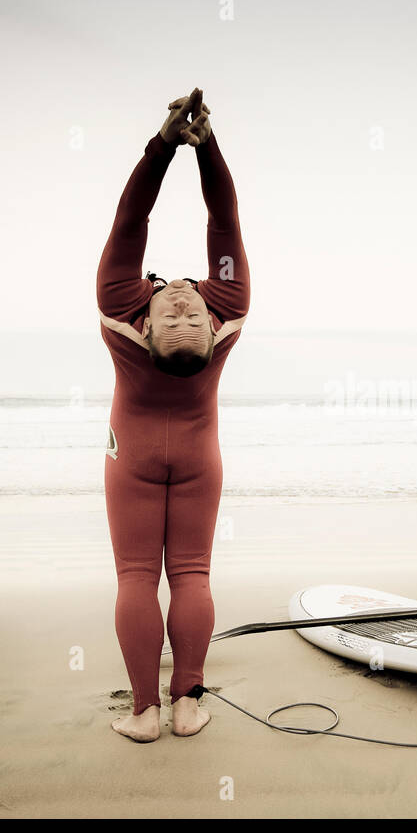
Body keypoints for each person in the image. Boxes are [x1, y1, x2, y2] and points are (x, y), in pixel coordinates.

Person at [96, 87, 249, 742]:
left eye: (181, 310)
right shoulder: (229, 310)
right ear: (214, 334)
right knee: (191, 572)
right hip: (198, 458)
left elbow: (132, 219)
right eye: (182, 309)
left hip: (130, 456)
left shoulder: (119, 304)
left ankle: (145, 713)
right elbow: (225, 218)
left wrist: (165, 145)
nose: (184, 296)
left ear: (145, 326)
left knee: (137, 574)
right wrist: (205, 145)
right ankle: (187, 703)